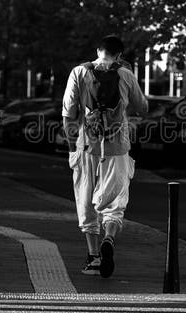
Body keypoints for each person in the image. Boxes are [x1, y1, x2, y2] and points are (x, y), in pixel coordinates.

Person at [62, 35, 148, 278]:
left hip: (86, 144)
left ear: (97, 50)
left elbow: (68, 114)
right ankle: (109, 237)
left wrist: (71, 148)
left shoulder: (78, 72)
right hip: (117, 146)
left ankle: (93, 256)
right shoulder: (126, 74)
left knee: (85, 198)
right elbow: (143, 107)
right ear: (119, 55)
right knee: (115, 201)